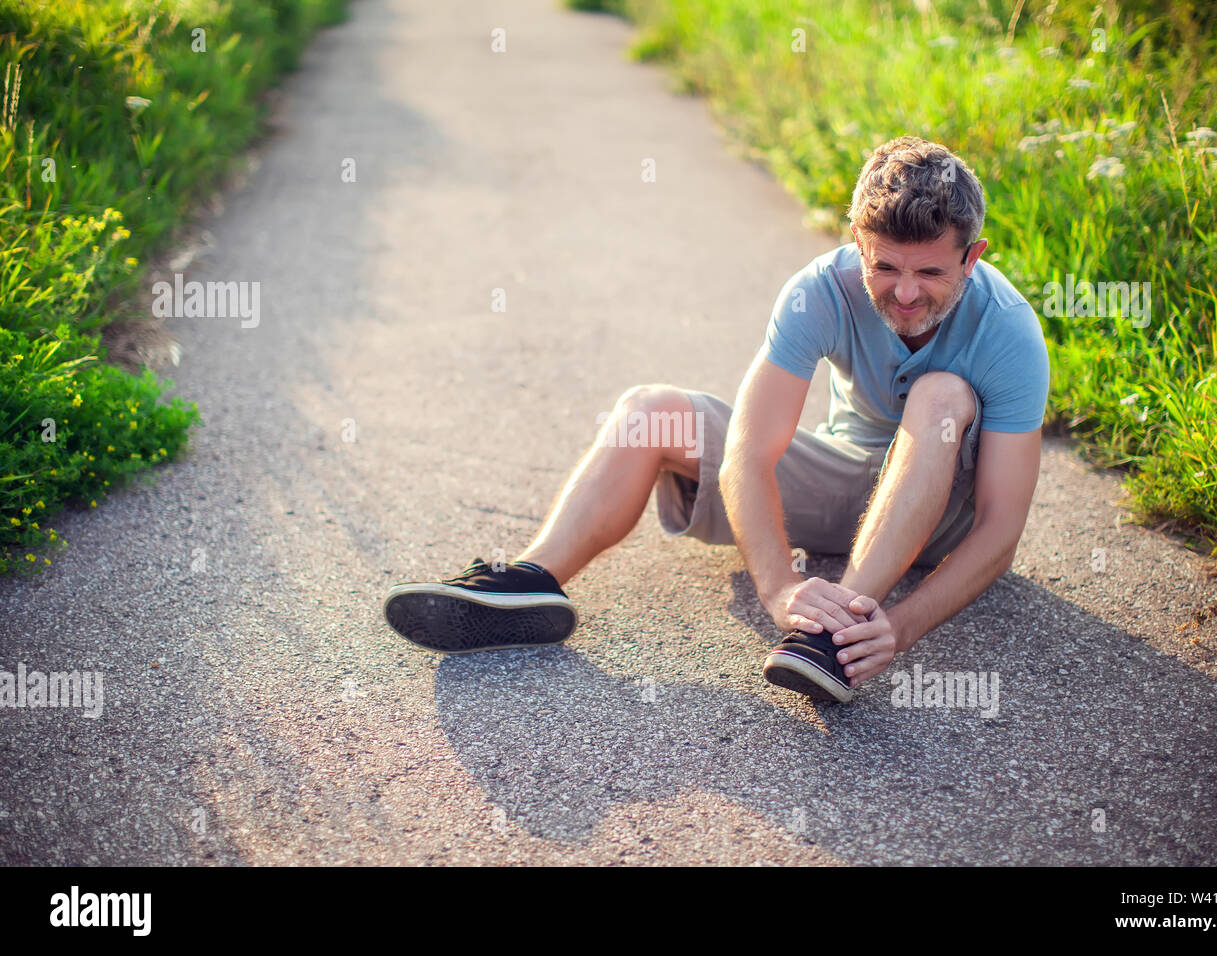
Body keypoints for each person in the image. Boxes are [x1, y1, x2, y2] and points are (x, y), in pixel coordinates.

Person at [383, 136, 1050, 704]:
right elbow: (748, 454)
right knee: (650, 411)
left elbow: (1000, 529)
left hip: (940, 511)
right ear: (857, 242)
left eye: (930, 272)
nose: (904, 292)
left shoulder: (1008, 329)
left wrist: (896, 629)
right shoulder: (820, 290)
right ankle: (530, 582)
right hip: (847, 479)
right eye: (885, 266)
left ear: (972, 257)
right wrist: (780, 588)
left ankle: (834, 636)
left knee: (941, 395)